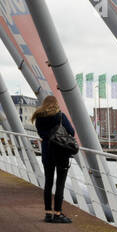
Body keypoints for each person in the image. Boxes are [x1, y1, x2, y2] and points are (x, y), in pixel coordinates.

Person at [32, 95, 75, 223]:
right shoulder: (60, 116)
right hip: (61, 152)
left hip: (47, 152)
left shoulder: (39, 117)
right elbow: (71, 132)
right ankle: (57, 213)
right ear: (56, 104)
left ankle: (48, 213)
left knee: (48, 183)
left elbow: (41, 134)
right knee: (60, 184)